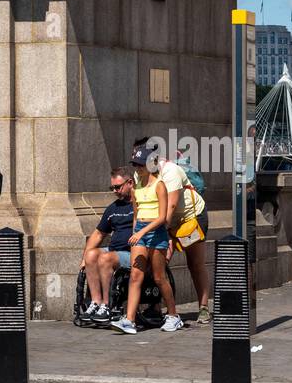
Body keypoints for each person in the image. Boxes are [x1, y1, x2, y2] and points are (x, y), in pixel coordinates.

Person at [111, 143, 183, 335]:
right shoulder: (136, 188)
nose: (137, 168)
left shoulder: (159, 186)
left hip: (156, 232)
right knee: (136, 276)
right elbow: (136, 213)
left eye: (140, 165)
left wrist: (141, 233)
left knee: (159, 277)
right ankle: (129, 320)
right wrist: (136, 230)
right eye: (135, 165)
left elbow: (162, 217)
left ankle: (174, 315)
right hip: (141, 231)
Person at [79, 167, 135, 325]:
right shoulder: (113, 208)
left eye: (118, 187)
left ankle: (106, 304)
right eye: (112, 188)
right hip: (113, 251)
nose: (115, 191)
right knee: (90, 255)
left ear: (130, 183)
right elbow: (98, 234)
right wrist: (84, 258)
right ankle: (95, 302)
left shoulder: (139, 205)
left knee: (105, 258)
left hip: (131, 253)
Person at [160, 155, 211, 324]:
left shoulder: (170, 171)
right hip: (166, 221)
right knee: (160, 263)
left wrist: (163, 229)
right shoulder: (141, 175)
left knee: (195, 264)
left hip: (191, 218)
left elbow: (172, 205)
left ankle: (203, 307)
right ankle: (157, 307)